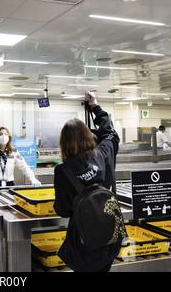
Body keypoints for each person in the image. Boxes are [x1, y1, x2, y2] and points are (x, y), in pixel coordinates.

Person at [53, 91, 123, 272]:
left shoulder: (62, 171)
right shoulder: (104, 153)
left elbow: (63, 209)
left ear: (64, 143)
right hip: (111, 233)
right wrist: (95, 106)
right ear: (89, 135)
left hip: (84, 239)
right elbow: (110, 133)